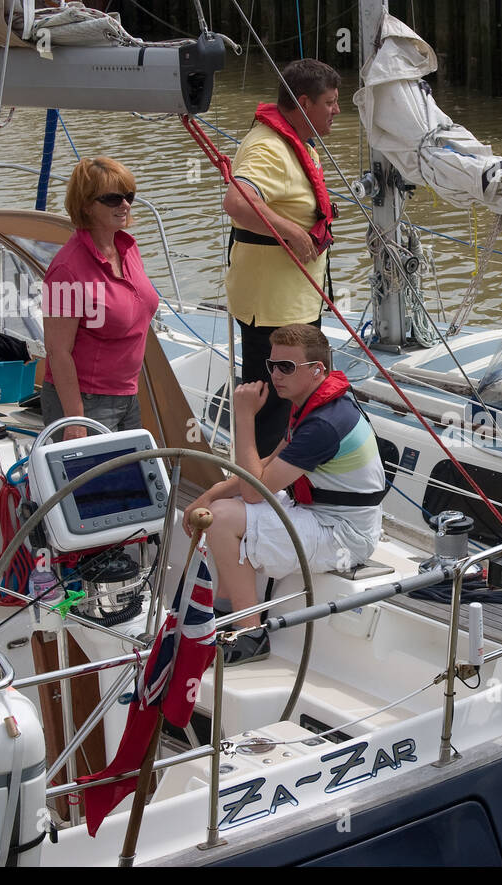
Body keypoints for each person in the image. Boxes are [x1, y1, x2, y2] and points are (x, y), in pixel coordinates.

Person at [188, 324, 385, 665]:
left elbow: (253, 490)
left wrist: (244, 416)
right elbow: (267, 465)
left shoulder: (324, 424)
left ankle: (250, 635)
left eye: (287, 367)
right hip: (327, 517)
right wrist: (210, 494)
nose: (276, 375)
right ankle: (223, 611)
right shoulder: (312, 402)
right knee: (222, 506)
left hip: (344, 535)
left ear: (317, 370)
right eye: (272, 366)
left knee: (222, 519)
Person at [224, 58, 340, 458]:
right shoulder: (268, 146)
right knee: (270, 408)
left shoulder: (301, 143)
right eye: (330, 102)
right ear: (304, 103)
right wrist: (291, 230)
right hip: (272, 311)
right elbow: (238, 202)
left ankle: (289, 484)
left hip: (295, 303)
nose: (337, 111)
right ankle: (257, 499)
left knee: (300, 399)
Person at [41, 157, 158, 441]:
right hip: (85, 403)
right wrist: (74, 419)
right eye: (112, 198)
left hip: (127, 397)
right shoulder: (66, 270)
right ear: (86, 206)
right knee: (93, 486)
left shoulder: (128, 248)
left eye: (128, 196)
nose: (125, 205)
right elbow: (58, 352)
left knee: (131, 482)